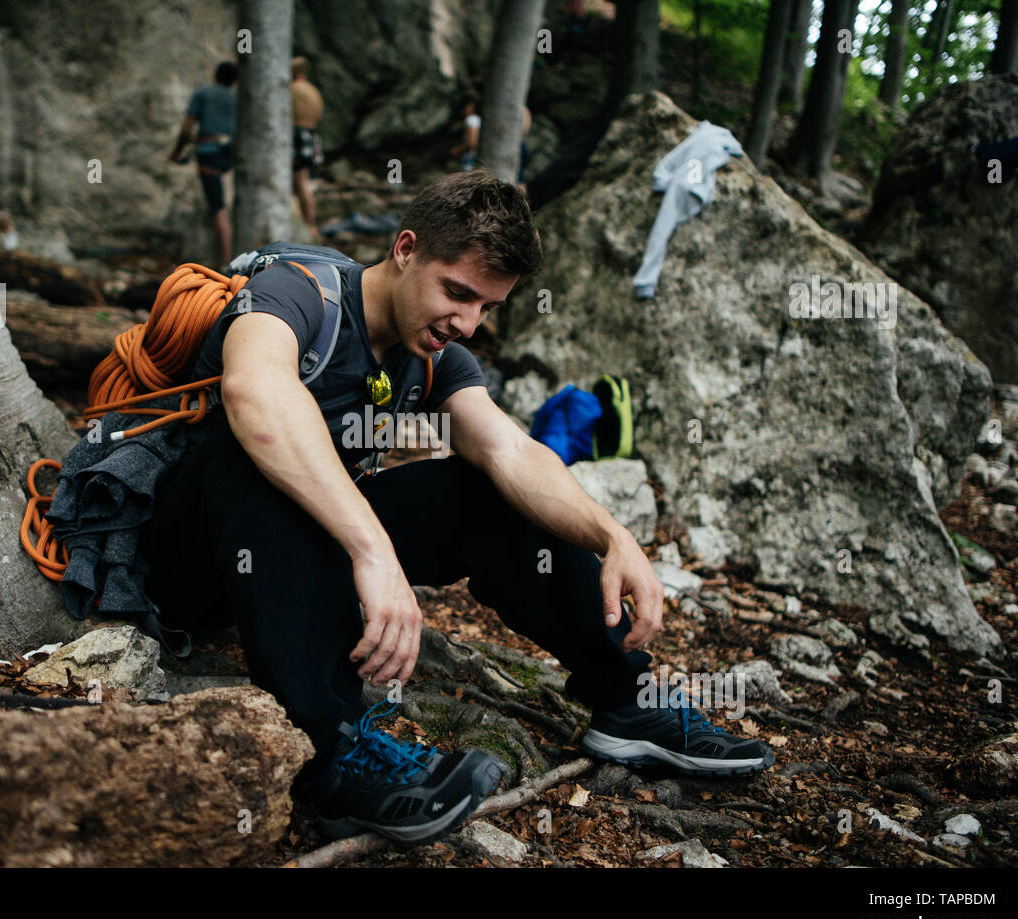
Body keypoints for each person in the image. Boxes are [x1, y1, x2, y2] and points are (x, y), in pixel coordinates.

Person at [140, 171, 774, 846]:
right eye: (458, 293)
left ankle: (625, 698)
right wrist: (372, 549)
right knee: (257, 450)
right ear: (407, 250)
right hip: (190, 555)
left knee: (483, 486)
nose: (467, 323)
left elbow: (509, 450)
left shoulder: (434, 352)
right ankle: (335, 757)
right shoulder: (297, 292)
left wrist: (612, 534)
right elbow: (254, 393)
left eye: (487, 308)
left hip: (291, 552)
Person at [171, 62, 239, 267]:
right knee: (220, 201)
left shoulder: (202, 94)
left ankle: (227, 260)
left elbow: (186, 129)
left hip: (209, 154)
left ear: (215, 74)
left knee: (217, 206)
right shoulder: (236, 100)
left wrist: (176, 152)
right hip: (230, 154)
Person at [290, 56, 325, 239]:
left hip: (298, 134)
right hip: (311, 135)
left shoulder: (292, 89)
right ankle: (307, 222)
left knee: (301, 180)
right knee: (303, 181)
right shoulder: (313, 91)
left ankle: (310, 224)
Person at [449, 101, 480, 171]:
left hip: (470, 160)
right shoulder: (478, 119)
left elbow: (472, 142)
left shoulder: (471, 120)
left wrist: (457, 150)